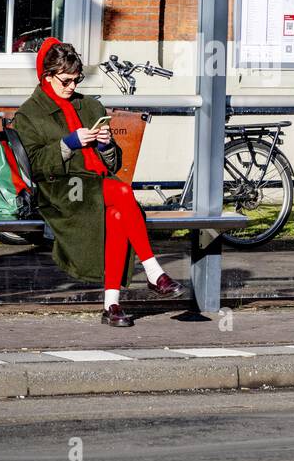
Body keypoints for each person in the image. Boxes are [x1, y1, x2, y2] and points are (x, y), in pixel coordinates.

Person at [14, 38, 183, 328]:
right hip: (60, 190)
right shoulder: (29, 113)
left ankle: (112, 305)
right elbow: (36, 166)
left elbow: (114, 163)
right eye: (66, 81)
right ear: (47, 76)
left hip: (96, 186)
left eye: (76, 80)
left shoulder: (90, 106)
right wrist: (68, 144)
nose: (72, 87)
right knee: (120, 191)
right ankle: (153, 271)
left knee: (117, 213)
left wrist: (106, 146)